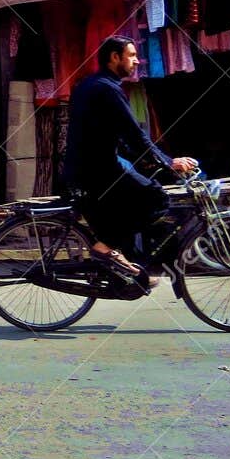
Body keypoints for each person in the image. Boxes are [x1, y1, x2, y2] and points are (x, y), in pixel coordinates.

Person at [66, 36, 197, 279]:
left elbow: (118, 135)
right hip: (98, 169)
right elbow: (135, 134)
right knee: (156, 198)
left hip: (85, 168)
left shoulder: (89, 84)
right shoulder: (107, 89)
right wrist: (169, 163)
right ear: (115, 57)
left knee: (125, 211)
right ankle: (104, 248)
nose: (137, 61)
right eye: (132, 55)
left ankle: (123, 274)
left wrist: (150, 160)